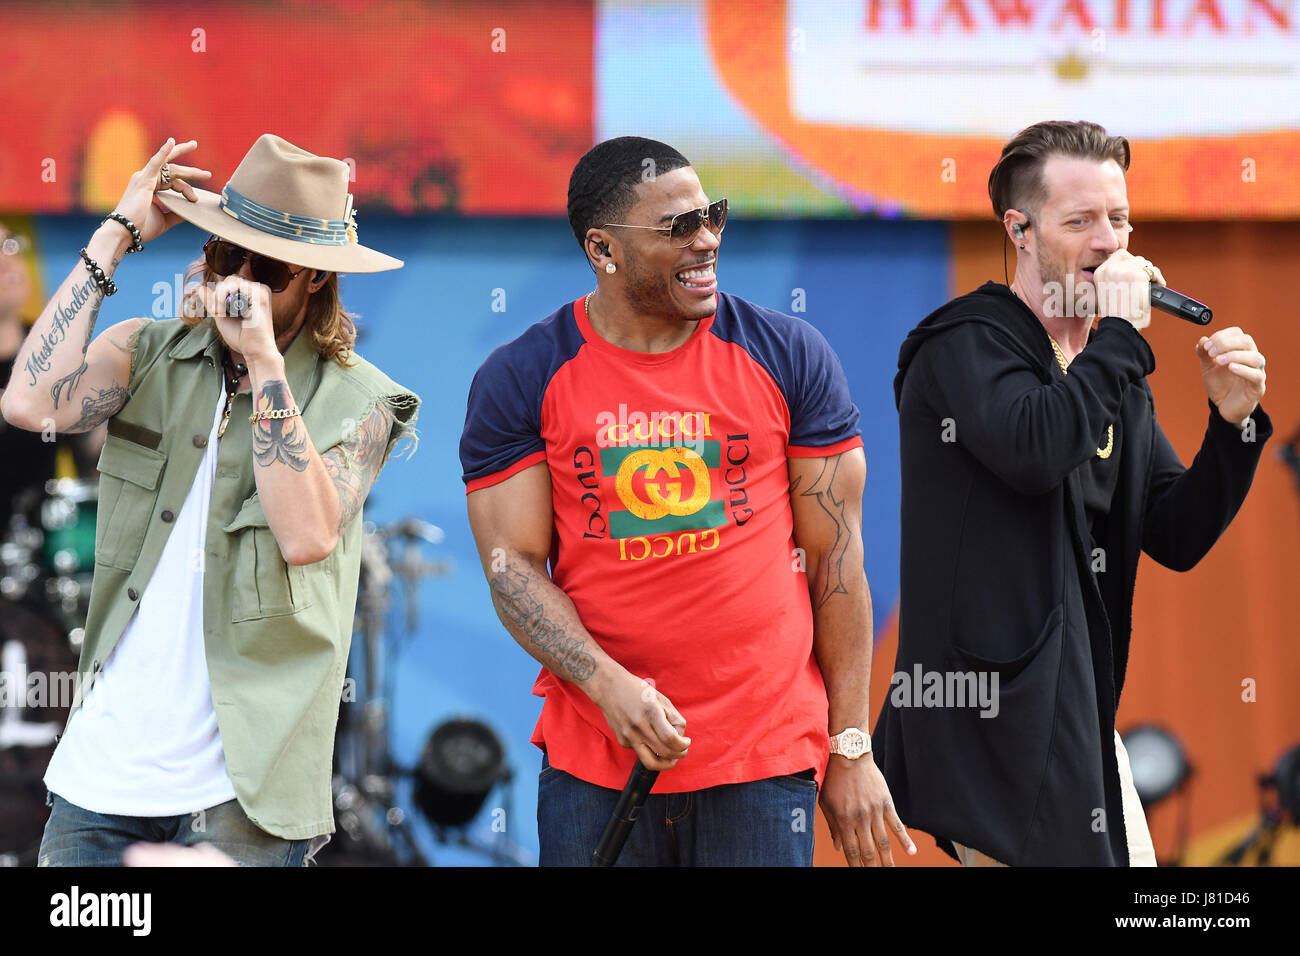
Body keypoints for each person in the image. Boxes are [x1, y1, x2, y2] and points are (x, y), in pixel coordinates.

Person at [460, 136, 913, 866]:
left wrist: (850, 745)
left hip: (763, 766)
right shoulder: (522, 376)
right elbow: (512, 568)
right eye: (677, 227)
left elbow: (836, 556)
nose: (706, 241)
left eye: (714, 217)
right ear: (603, 251)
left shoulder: (787, 353)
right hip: (596, 767)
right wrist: (608, 689)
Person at [1, 134, 419, 867]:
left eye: (273, 269)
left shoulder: (364, 401)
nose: (244, 284)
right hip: (102, 776)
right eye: (230, 257)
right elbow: (30, 404)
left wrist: (263, 364)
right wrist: (116, 233)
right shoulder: (147, 351)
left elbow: (306, 536)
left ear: (316, 279)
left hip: (242, 796)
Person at [873, 120, 1271, 866]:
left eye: (1119, 218)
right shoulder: (966, 343)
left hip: (1074, 714)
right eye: (1081, 220)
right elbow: (1034, 449)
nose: (1109, 241)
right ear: (1019, 230)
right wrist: (1119, 338)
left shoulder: (1107, 375)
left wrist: (1234, 425)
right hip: (986, 720)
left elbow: (1176, 533)